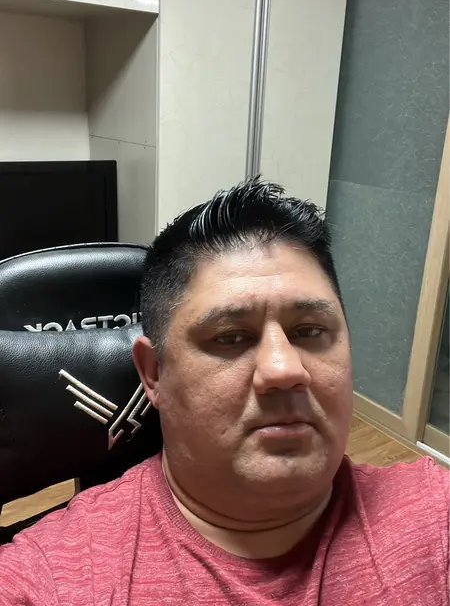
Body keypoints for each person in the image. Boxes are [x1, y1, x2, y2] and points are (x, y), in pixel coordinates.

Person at [0, 178, 448, 605]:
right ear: (154, 374)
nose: (284, 370)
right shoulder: (52, 576)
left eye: (310, 331)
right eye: (230, 337)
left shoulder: (434, 514)